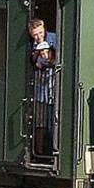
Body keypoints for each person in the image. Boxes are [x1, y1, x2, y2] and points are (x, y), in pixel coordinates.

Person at [27, 17, 60, 160]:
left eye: (40, 33)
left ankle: (53, 151)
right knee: (39, 121)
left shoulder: (55, 38)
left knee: (54, 121)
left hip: (54, 87)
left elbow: (60, 58)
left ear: (44, 29)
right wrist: (36, 57)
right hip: (41, 90)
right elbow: (31, 62)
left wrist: (50, 60)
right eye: (35, 34)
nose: (38, 37)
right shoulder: (31, 45)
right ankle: (39, 153)